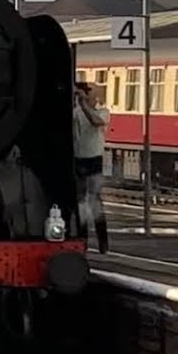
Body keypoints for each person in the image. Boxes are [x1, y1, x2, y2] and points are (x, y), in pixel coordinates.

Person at [73, 81, 110, 253]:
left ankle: (103, 242)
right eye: (92, 94)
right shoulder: (75, 113)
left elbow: (96, 122)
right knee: (80, 201)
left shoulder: (103, 112)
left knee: (95, 200)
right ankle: (83, 239)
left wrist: (83, 105)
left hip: (94, 158)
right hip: (79, 158)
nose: (96, 97)